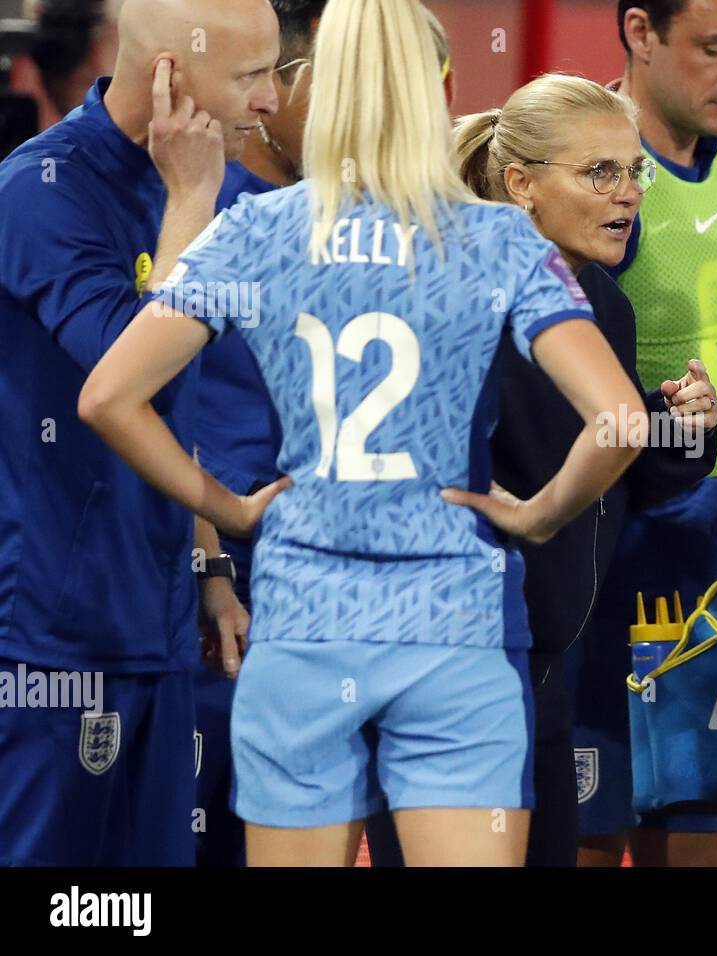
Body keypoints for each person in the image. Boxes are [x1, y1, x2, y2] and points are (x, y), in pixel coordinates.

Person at [78, 0, 646, 867]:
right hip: (453, 626)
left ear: (317, 88)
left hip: (305, 623)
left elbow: (110, 397)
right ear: (445, 90)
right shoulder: (499, 241)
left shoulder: (258, 231)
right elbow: (622, 420)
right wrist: (538, 517)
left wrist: (228, 510)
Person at [355, 74, 717, 869]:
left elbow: (607, 470)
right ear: (521, 184)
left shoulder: (601, 301)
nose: (628, 195)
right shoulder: (454, 299)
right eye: (600, 173)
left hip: (547, 663)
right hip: (449, 665)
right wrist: (541, 513)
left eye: (635, 172)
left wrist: (685, 432)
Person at [0, 0, 278, 867]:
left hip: (160, 628)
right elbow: (133, 374)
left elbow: (178, 412)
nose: (271, 100)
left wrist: (208, 569)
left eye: (276, 70)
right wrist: (191, 197)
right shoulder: (38, 192)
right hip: (52, 639)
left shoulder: (212, 192)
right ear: (169, 74)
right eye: (249, 75)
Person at [188, 0, 456, 870]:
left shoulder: (417, 228)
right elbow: (125, 401)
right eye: (365, 89)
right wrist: (211, 565)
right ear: (287, 84)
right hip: (229, 616)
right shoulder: (199, 210)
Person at [560, 0, 717, 869]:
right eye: (715, 48)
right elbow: (577, 395)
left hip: (709, 568)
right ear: (640, 31)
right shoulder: (598, 181)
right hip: (607, 561)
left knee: (694, 848)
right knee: (588, 837)